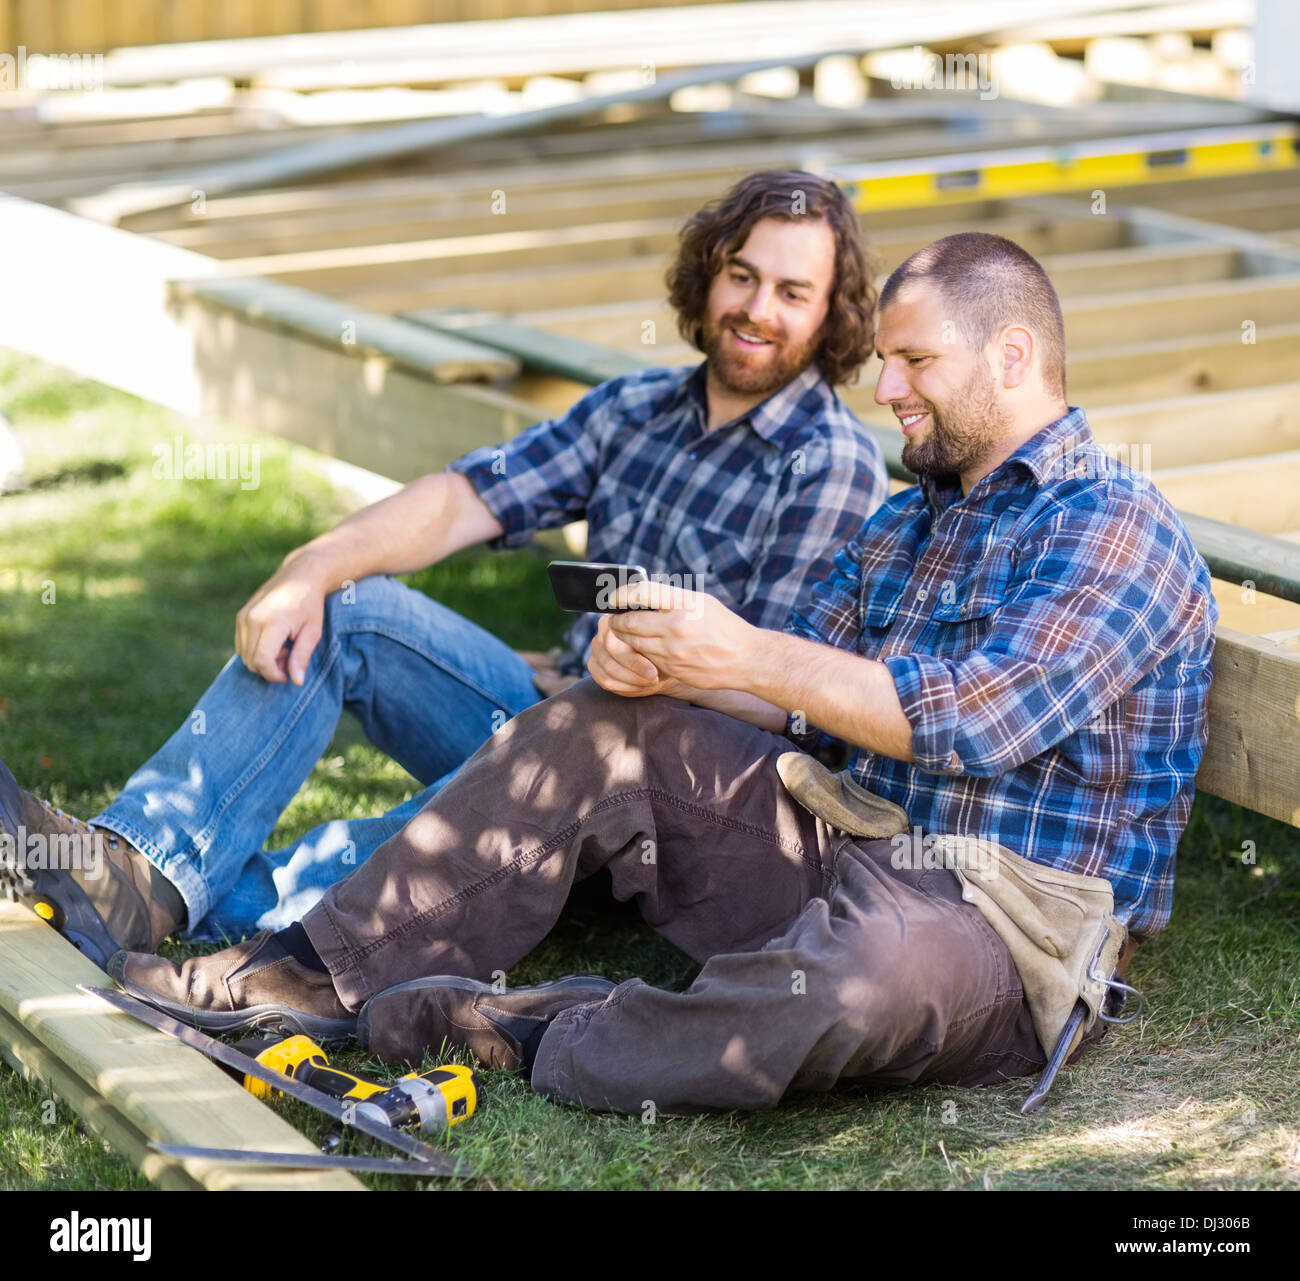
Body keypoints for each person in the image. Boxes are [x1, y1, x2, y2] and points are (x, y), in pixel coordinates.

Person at [89, 231, 1221, 1116]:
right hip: (851, 831)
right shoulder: (907, 520)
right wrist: (678, 662)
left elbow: (974, 717)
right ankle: (294, 980)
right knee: (602, 722)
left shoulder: (1114, 527)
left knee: (858, 981)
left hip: (1006, 918)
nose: (889, 390)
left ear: (1012, 356)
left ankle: (533, 1028)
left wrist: (745, 650)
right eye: (885, 365)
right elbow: (793, 699)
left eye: (915, 362)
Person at [0, 170, 889, 967]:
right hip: (563, 708)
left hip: (659, 799)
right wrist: (309, 566)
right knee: (353, 607)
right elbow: (464, 498)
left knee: (527, 761)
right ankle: (140, 865)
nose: (758, 306)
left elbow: (786, 701)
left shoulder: (828, 462)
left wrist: (656, 675)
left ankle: (184, 898)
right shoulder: (637, 408)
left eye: (792, 291)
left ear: (831, 316)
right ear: (708, 275)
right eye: (742, 273)